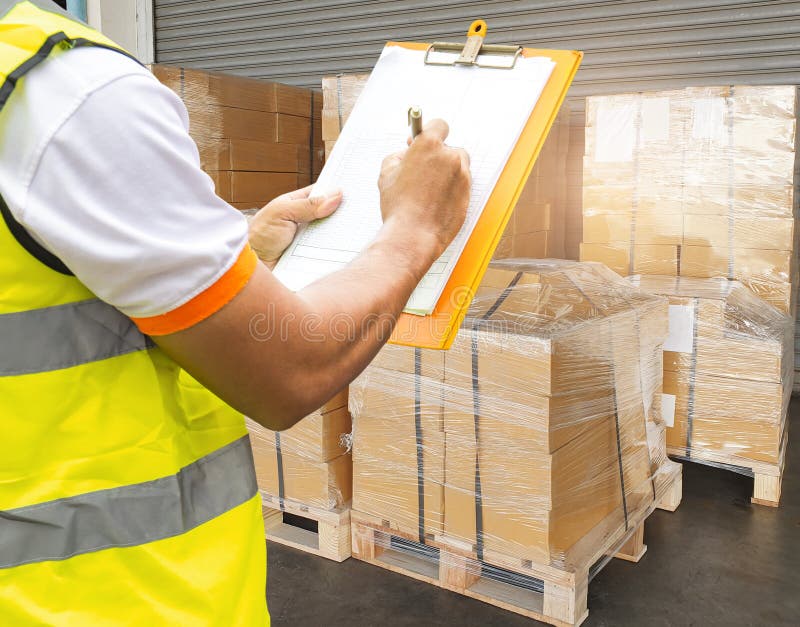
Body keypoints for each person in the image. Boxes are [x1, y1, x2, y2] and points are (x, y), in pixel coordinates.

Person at [0, 0, 471, 624]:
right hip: (117, 599)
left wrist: (241, 257)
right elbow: (289, 370)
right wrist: (415, 227)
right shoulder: (57, 94)